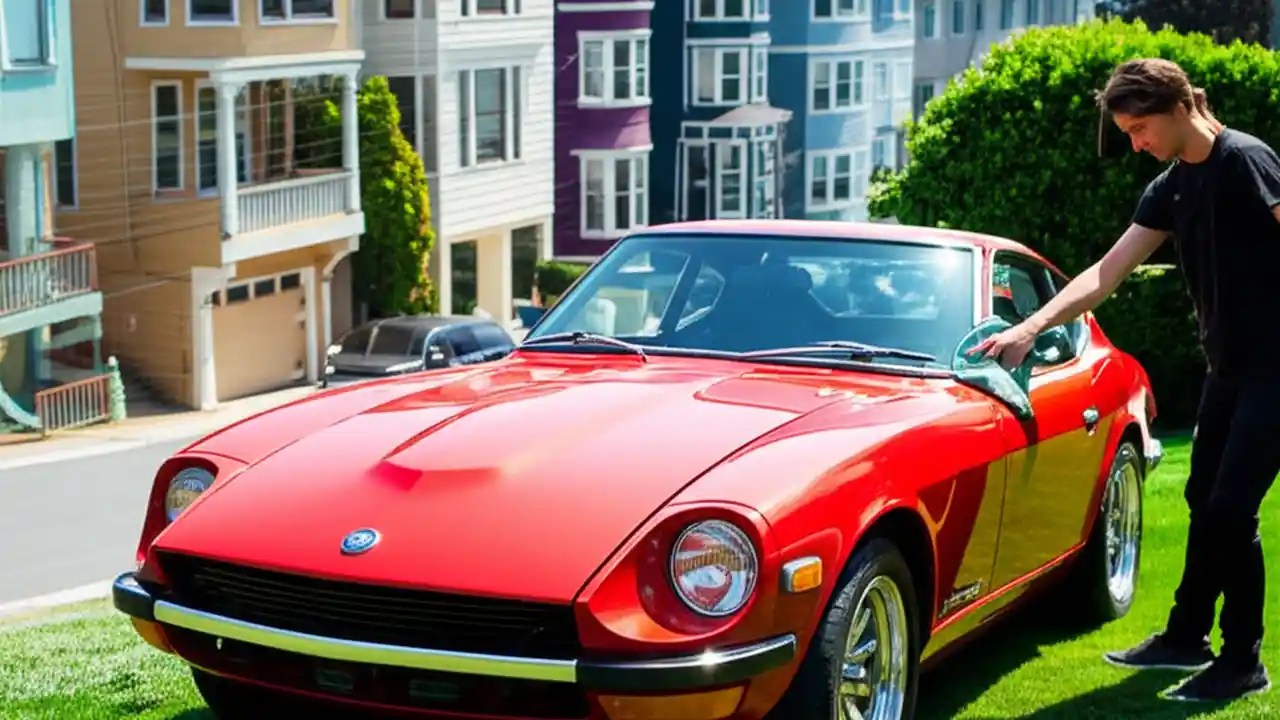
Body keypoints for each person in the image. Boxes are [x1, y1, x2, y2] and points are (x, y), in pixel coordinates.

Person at [973, 57, 1280, 703]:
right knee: (1204, 499)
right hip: (1229, 370)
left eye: (1141, 128)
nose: (1136, 143)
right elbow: (1105, 273)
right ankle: (1186, 636)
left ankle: (1243, 660)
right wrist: (1031, 326)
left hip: (1276, 371)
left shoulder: (1247, 162)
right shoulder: (1170, 188)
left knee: (1229, 510)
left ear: (1179, 107)